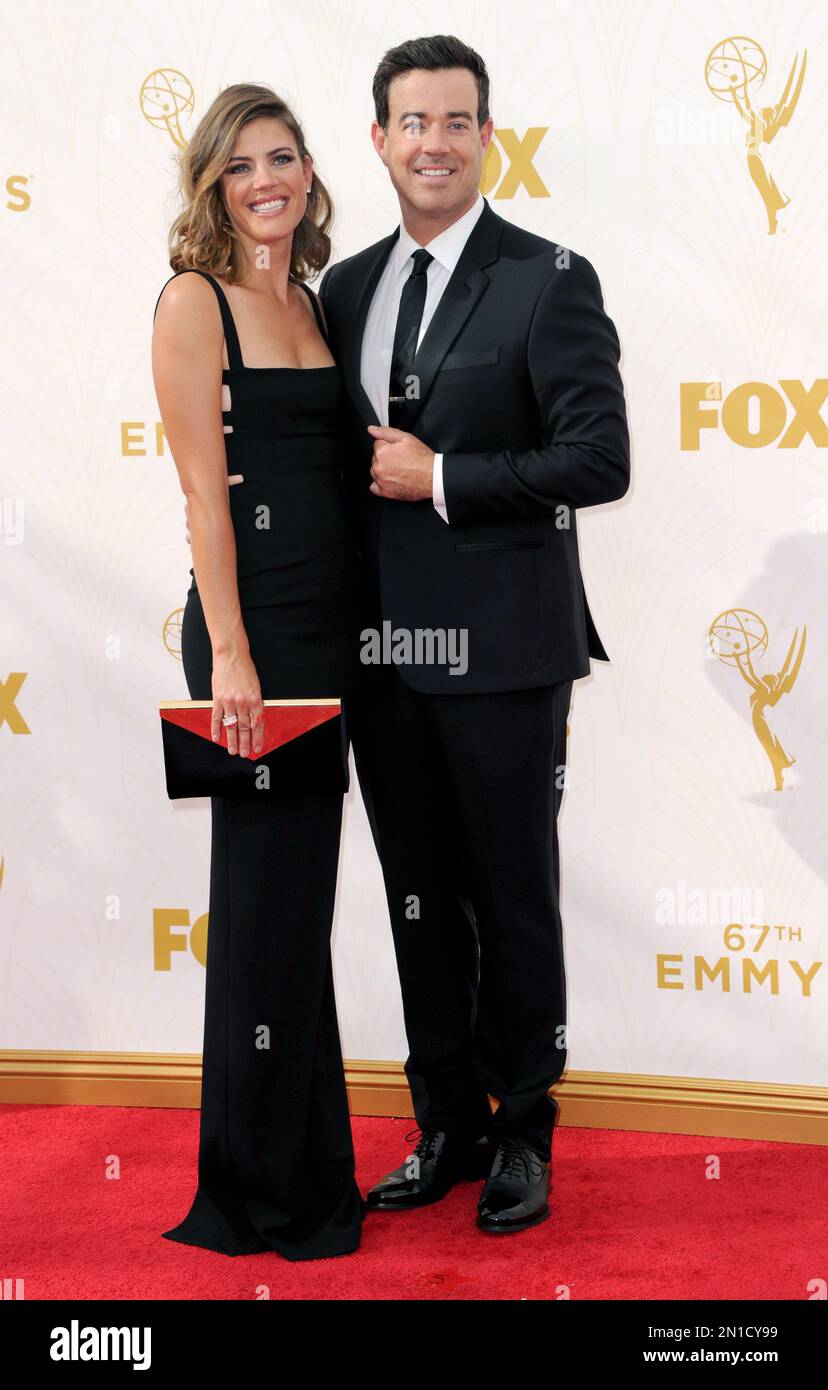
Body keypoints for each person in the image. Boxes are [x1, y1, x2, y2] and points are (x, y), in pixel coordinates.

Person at [318, 35, 630, 1233]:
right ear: (381, 139)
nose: (435, 142)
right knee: (415, 894)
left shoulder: (551, 277)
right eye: (413, 121)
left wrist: (446, 474)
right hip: (384, 658)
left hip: (503, 650)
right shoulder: (344, 288)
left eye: (457, 121)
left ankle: (523, 1131)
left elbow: (598, 460)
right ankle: (444, 1120)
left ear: (488, 136)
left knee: (513, 896)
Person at [151, 82, 362, 1259]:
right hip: (253, 640)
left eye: (282, 157)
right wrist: (231, 652)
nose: (267, 180)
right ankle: (254, 1192)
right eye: (242, 165)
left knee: (297, 912)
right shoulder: (195, 301)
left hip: (329, 636)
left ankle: (302, 1176)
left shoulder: (317, 302)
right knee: (264, 912)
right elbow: (202, 496)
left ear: (308, 170)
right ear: (213, 185)